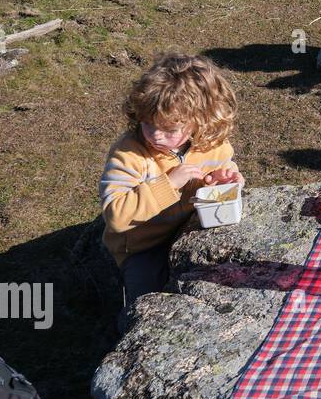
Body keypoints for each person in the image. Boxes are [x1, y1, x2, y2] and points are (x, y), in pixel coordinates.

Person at [100, 53, 243, 324]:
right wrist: (170, 183)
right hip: (142, 246)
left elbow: (226, 166)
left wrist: (227, 178)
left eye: (169, 129)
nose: (155, 135)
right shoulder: (129, 154)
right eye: (148, 124)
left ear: (200, 120)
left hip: (188, 227)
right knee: (146, 308)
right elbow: (117, 216)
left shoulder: (211, 144)